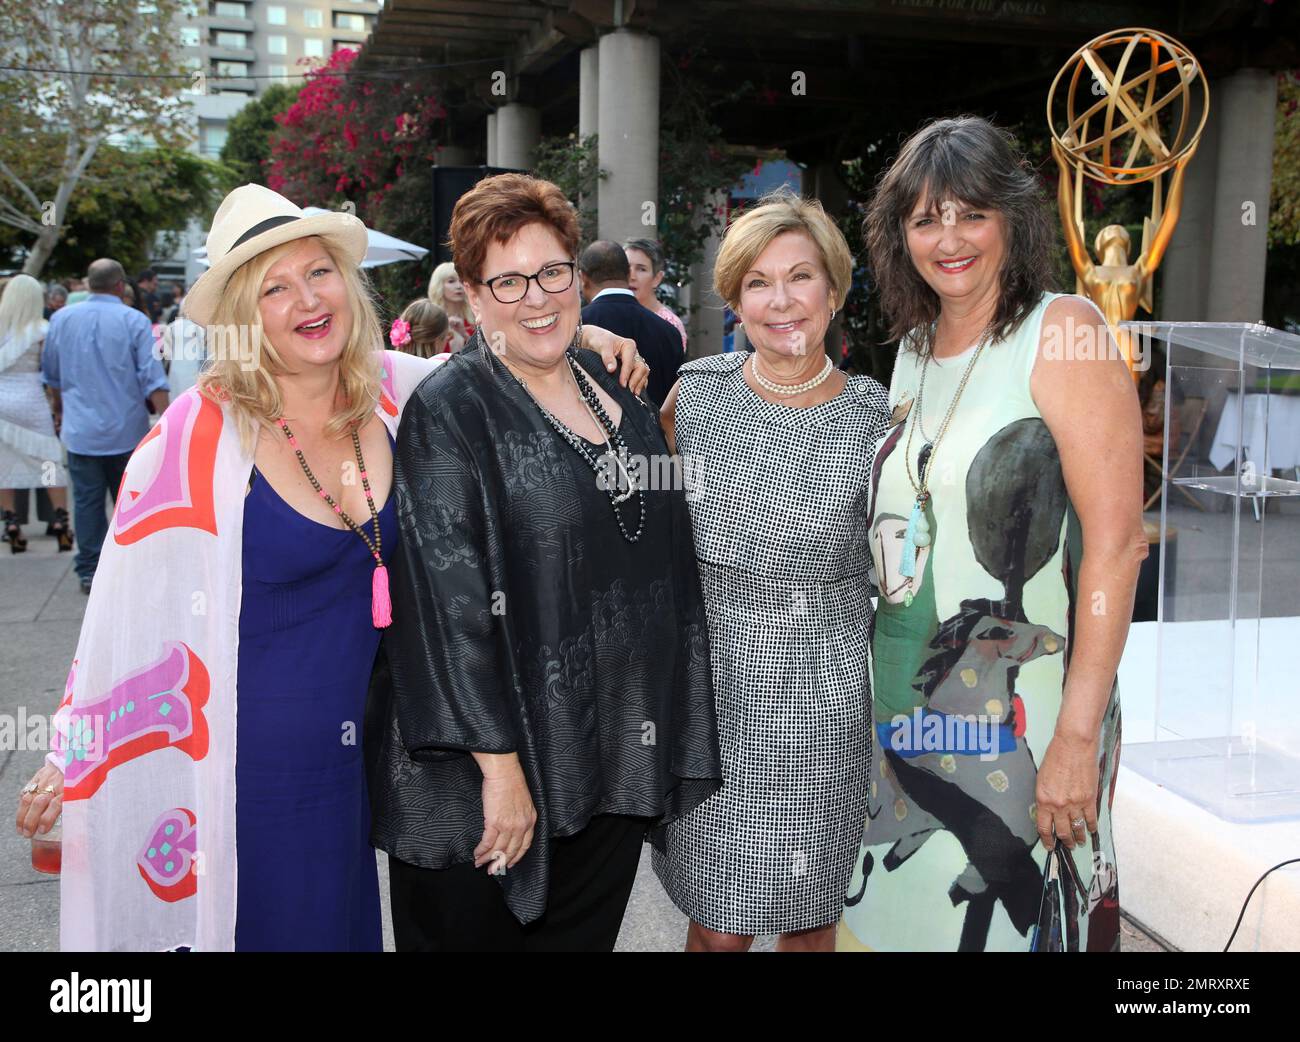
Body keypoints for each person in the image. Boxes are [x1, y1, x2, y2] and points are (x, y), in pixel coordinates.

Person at [13, 183, 649, 952]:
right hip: (247, 761)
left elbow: (506, 357)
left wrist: (587, 337)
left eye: (319, 273)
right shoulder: (198, 435)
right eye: (274, 288)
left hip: (358, 757)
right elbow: (121, 615)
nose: (308, 299)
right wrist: (69, 754)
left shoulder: (395, 390)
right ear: (245, 316)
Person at [370, 172, 722, 952]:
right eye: (508, 280)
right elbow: (444, 611)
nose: (536, 298)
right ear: (471, 294)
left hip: (606, 767)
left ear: (579, 276)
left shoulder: (618, 390)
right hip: (484, 790)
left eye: (552, 272)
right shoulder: (449, 411)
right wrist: (500, 772)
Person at [838, 116, 1144, 952]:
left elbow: (1117, 545)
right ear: (899, 235)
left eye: (971, 213)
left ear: (1012, 216)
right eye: (925, 219)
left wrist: (1075, 738)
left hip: (1030, 717)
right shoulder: (913, 349)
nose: (949, 240)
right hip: (909, 715)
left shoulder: (1063, 330)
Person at [650, 189, 890, 952]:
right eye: (758, 282)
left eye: (800, 276)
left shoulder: (877, 415)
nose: (780, 300)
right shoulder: (696, 396)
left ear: (834, 290)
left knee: (812, 923)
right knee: (718, 929)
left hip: (826, 703)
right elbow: (645, 517)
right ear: (735, 301)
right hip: (714, 698)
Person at [41, 259, 170, 593]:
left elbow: (52, 376)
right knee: (132, 503)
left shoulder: (61, 319)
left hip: (80, 431)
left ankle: (89, 570)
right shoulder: (135, 321)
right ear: (120, 285)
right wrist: (168, 423)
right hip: (126, 431)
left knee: (86, 502)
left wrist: (59, 409)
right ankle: (132, 568)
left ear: (89, 283)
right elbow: (153, 379)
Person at [0, 274, 72, 552]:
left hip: (2, 404)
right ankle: (61, 521)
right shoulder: (43, 330)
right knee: (49, 462)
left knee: (4, 465)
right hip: (32, 402)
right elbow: (51, 372)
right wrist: (58, 406)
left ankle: (11, 523)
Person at [579, 240, 683, 408]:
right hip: (655, 424)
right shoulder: (669, 332)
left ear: (583, 278)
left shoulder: (576, 327)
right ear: (628, 275)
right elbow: (675, 402)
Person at [625, 237, 688, 353]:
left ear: (657, 278)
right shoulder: (611, 314)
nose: (631, 276)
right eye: (626, 267)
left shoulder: (670, 324)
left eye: (641, 269)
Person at [427, 260, 475, 353]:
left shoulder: (475, 319)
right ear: (438, 286)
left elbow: (485, 356)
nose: (459, 286)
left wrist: (465, 335)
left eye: (462, 281)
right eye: (451, 281)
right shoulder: (431, 321)